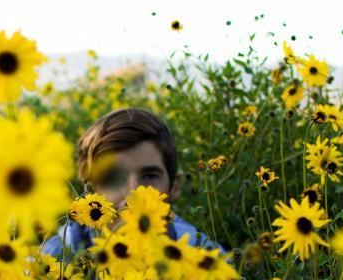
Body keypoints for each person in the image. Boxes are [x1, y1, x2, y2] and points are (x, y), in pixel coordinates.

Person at [41, 108, 223, 258]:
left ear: (174, 187)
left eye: (149, 176)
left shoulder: (206, 258)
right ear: (89, 191)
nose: (132, 194)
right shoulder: (50, 263)